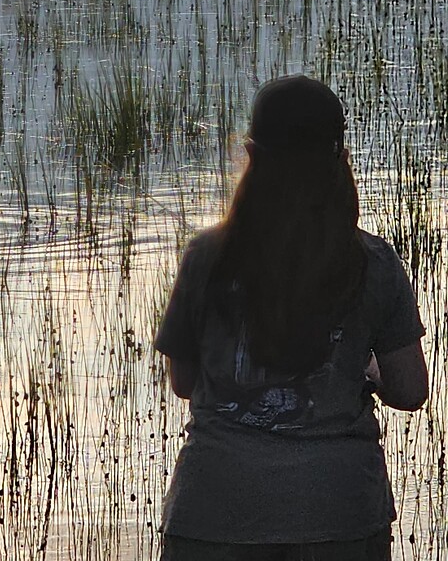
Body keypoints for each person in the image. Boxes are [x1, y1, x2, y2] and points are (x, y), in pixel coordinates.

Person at [155, 75, 428, 561]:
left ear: (252, 156)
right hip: (338, 516)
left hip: (213, 513)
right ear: (338, 157)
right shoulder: (373, 263)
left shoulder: (205, 258)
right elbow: (409, 391)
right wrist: (368, 372)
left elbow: (184, 382)